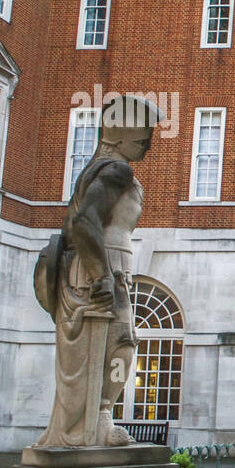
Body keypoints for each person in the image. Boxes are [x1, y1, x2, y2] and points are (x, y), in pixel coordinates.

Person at [34, 95, 161, 448]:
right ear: (119, 133)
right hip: (104, 267)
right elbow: (84, 221)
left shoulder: (96, 168)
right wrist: (102, 274)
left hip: (94, 266)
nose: (149, 143)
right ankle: (100, 420)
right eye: (143, 136)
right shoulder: (117, 170)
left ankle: (87, 426)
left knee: (102, 348)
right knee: (121, 344)